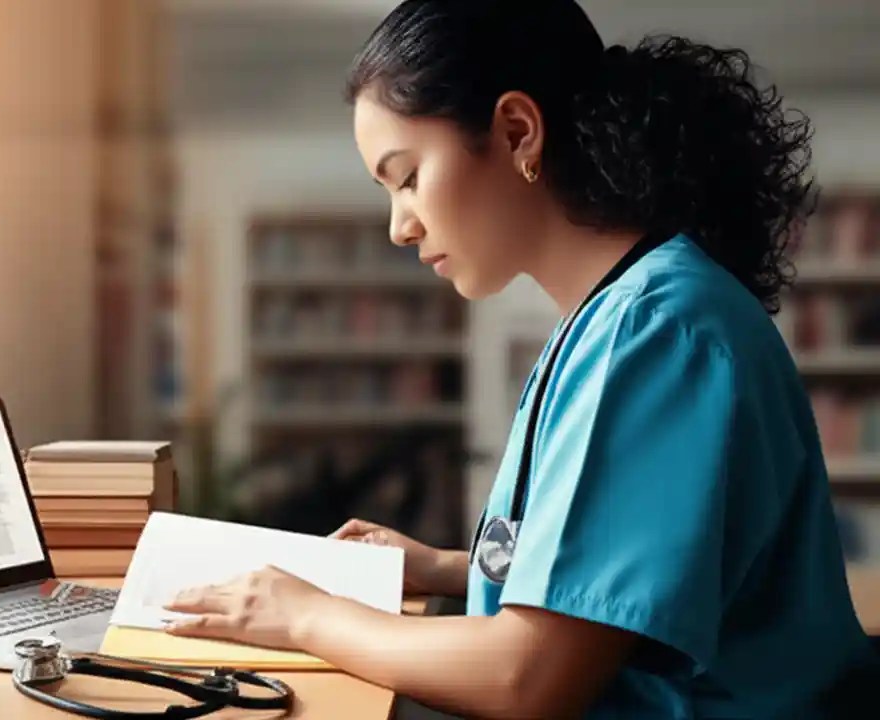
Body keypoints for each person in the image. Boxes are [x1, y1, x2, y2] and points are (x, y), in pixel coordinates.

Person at [161, 1, 879, 717]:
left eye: (407, 177)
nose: (399, 227)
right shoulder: (616, 316)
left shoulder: (657, 330)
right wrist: (448, 568)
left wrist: (306, 616)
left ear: (516, 133)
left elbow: (527, 679)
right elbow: (621, 579)